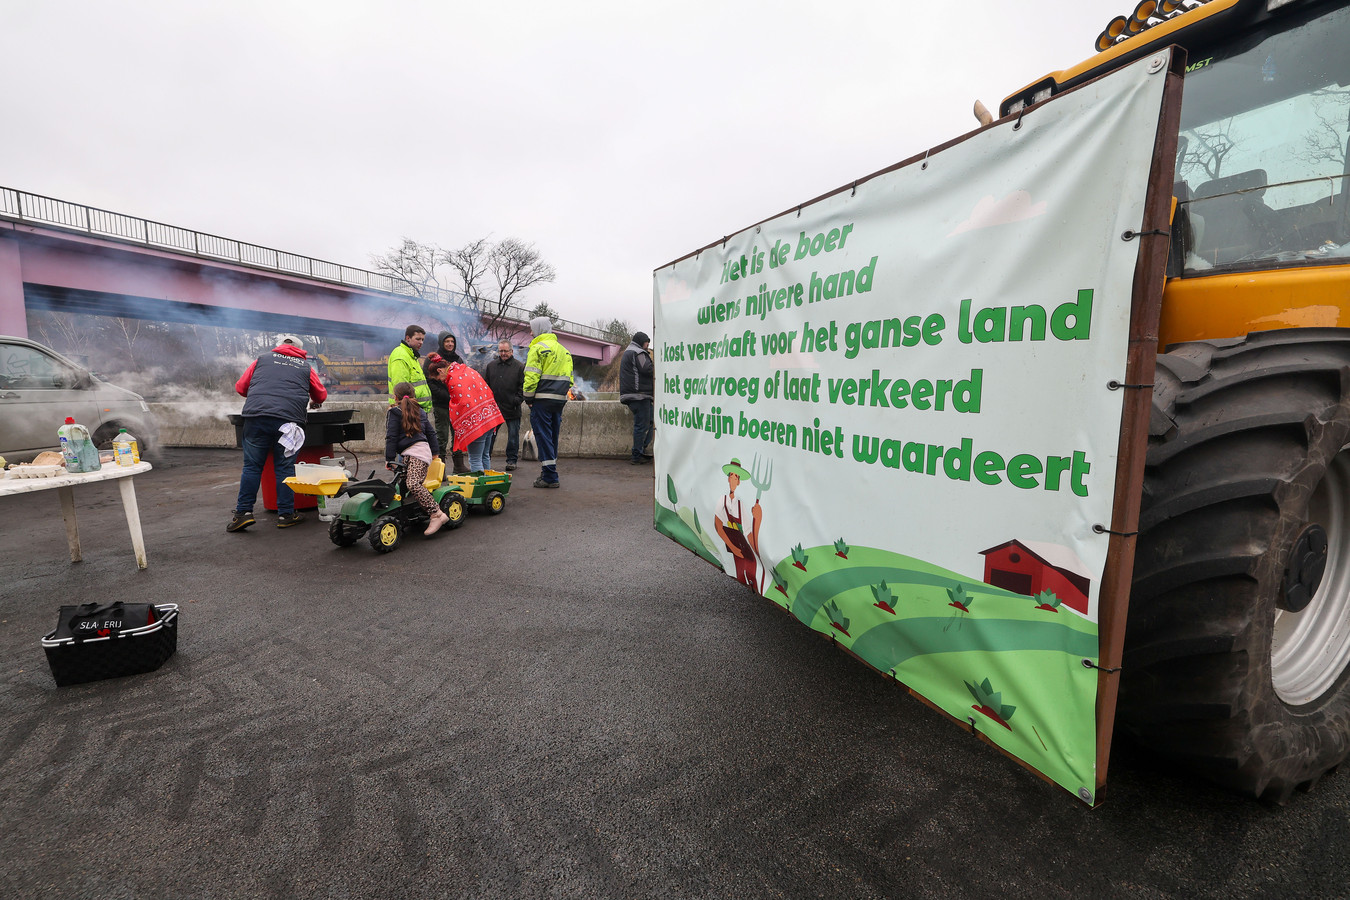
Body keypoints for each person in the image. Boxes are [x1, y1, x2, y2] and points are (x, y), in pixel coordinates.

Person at [228, 334, 327, 532]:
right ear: (300, 350)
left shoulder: (261, 360)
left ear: (279, 346)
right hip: (289, 421)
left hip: (256, 418)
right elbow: (321, 395)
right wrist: (313, 401)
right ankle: (286, 515)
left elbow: (240, 387)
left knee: (252, 467)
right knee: (284, 468)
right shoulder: (305, 367)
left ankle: (243, 514)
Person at [385, 382, 449, 536]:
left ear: (395, 397)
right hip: (415, 453)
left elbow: (391, 436)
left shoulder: (394, 412)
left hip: (417, 454)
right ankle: (405, 514)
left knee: (413, 484)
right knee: (401, 485)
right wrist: (435, 452)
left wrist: (389, 458)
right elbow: (431, 433)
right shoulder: (419, 410)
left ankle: (437, 514)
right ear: (413, 395)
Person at [523, 316, 573, 488]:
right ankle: (548, 472)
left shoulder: (537, 348)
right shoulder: (564, 350)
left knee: (543, 437)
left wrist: (528, 398)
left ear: (538, 329)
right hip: (559, 400)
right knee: (551, 437)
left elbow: (531, 376)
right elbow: (570, 379)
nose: (531, 333)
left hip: (541, 400)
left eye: (532, 329)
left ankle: (550, 476)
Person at [441, 361, 505, 474]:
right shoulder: (468, 370)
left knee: (475, 459)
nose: (441, 381)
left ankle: (480, 484)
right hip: (490, 417)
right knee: (485, 455)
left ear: (440, 370)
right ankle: (488, 482)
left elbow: (460, 404)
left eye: (438, 378)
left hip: (476, 424)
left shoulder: (454, 379)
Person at [713, 458, 762, 589]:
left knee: (753, 580)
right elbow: (718, 526)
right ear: (728, 479)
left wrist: (757, 520)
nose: (733, 480)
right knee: (740, 576)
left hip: (746, 552)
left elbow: (749, 534)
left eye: (736, 477)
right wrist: (732, 547)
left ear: (739, 481)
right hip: (736, 550)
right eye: (731, 476)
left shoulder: (740, 505)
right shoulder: (722, 500)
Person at [484, 339, 525, 472]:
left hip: (512, 408)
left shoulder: (519, 367)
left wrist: (516, 400)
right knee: (489, 437)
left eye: (505, 351)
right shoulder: (491, 366)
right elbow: (486, 385)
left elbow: (523, 387)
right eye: (501, 351)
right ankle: (486, 459)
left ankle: (512, 460)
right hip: (494, 408)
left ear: (511, 351)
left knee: (513, 437)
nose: (503, 353)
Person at [619, 331, 655, 465]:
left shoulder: (630, 351)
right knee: (642, 425)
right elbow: (648, 369)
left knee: (649, 422)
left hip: (634, 394)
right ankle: (637, 454)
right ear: (641, 342)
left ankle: (640, 451)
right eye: (646, 342)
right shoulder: (638, 353)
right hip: (639, 395)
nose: (648, 345)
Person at [387, 325, 431, 414]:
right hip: (408, 411)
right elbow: (400, 388)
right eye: (418, 339)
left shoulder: (411, 356)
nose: (421, 342)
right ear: (408, 338)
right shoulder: (400, 356)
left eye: (422, 340)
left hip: (415, 409)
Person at [425, 356, 452, 465]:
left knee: (457, 435)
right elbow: (442, 395)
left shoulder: (448, 377)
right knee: (442, 436)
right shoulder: (432, 382)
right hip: (441, 408)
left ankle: (458, 463)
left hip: (452, 408)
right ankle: (440, 463)